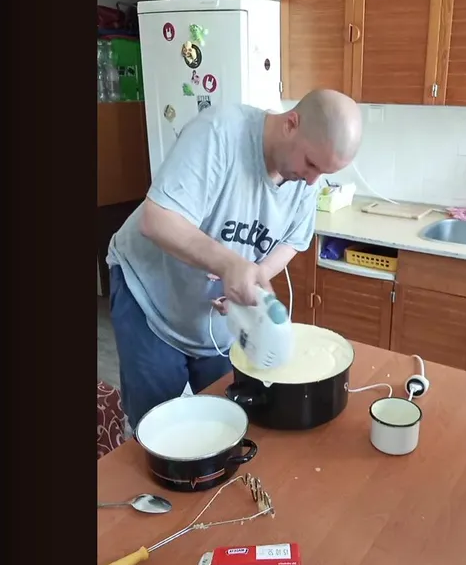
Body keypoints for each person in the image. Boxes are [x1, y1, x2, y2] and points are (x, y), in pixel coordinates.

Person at [106, 89, 363, 430]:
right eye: (312, 164)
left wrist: (254, 276)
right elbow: (157, 220)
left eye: (324, 173)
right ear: (291, 124)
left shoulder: (307, 179)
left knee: (228, 420)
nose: (313, 181)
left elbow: (292, 241)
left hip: (212, 318)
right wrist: (229, 265)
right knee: (160, 427)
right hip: (150, 298)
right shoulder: (219, 133)